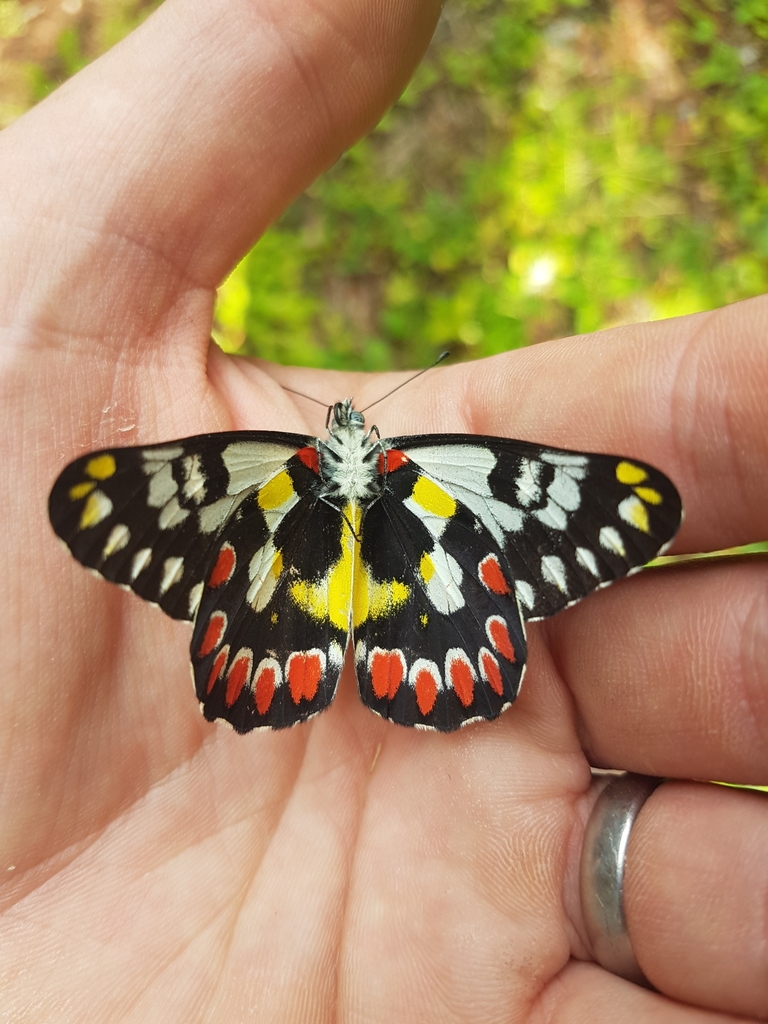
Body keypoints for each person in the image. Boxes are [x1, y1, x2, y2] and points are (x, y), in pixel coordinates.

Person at [0, 0, 765, 1019]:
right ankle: (352, 651)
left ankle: (376, 651)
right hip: (328, 582)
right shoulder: (274, 470)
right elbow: (138, 505)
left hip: (397, 581)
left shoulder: (365, 467)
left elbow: (589, 509)